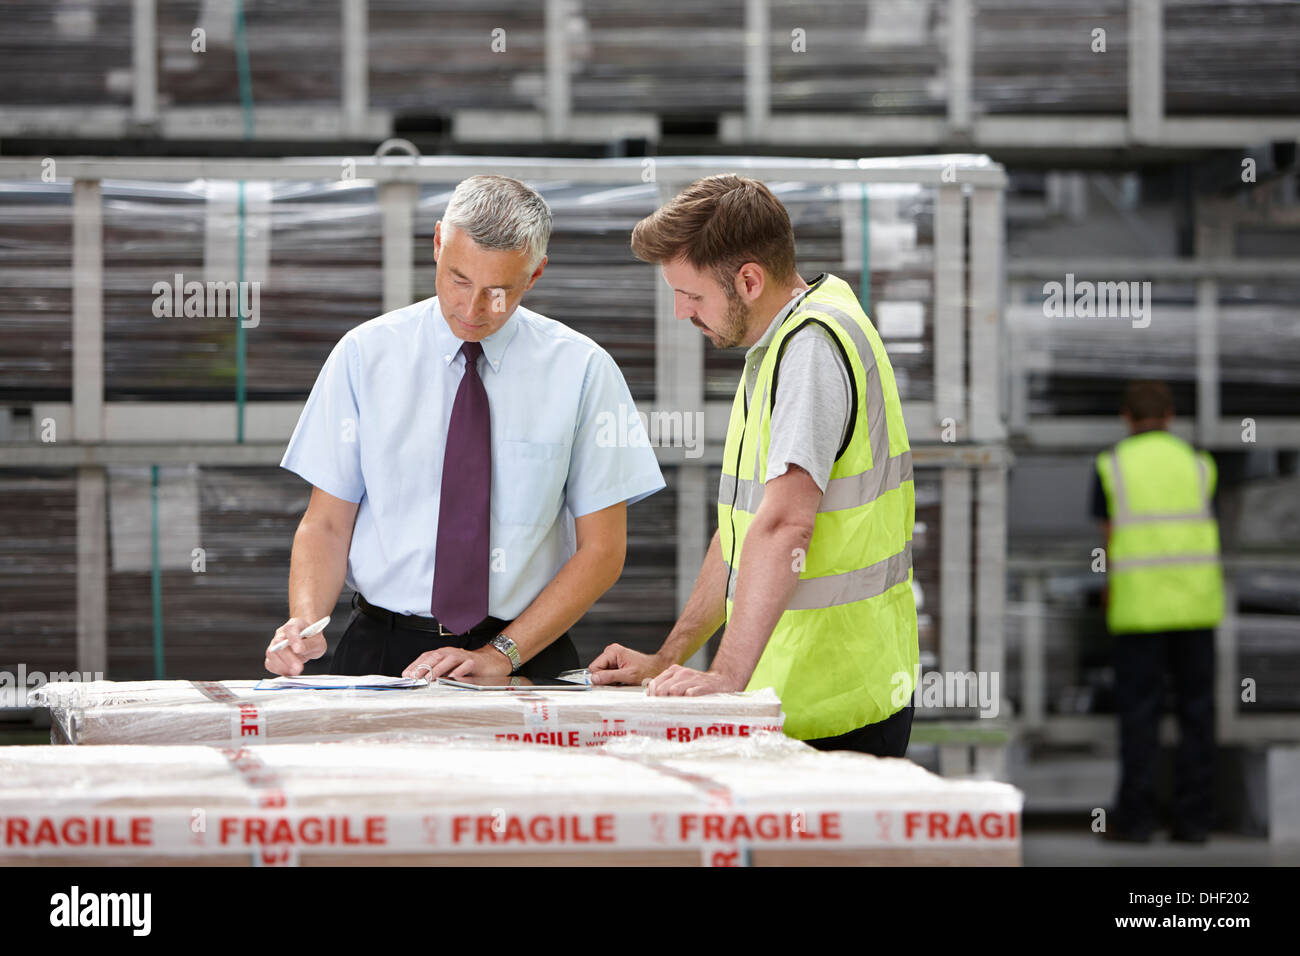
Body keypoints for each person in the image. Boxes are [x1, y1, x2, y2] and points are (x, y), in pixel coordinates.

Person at [265, 175, 664, 683]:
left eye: (498, 291)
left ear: (535, 273)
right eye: (458, 279)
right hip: (383, 653)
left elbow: (603, 551)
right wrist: (304, 619)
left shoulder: (584, 371)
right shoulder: (364, 356)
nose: (472, 310)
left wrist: (501, 656)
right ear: (437, 244)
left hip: (525, 657)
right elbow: (326, 522)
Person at [589, 174, 919, 757]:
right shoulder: (784, 341)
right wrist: (670, 658)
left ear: (747, 280)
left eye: (692, 296)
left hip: (832, 703)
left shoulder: (812, 349)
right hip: (799, 694)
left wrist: (725, 678)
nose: (680, 313)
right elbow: (746, 528)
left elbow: (786, 524)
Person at [1092, 380, 1222, 843]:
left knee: (1139, 718)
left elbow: (1109, 537)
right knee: (1198, 716)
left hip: (1139, 609)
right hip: (1196, 606)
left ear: (1126, 417)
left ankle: (1137, 821)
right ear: (1170, 417)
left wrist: (1109, 585)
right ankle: (1194, 823)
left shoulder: (1112, 465)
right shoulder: (1200, 464)